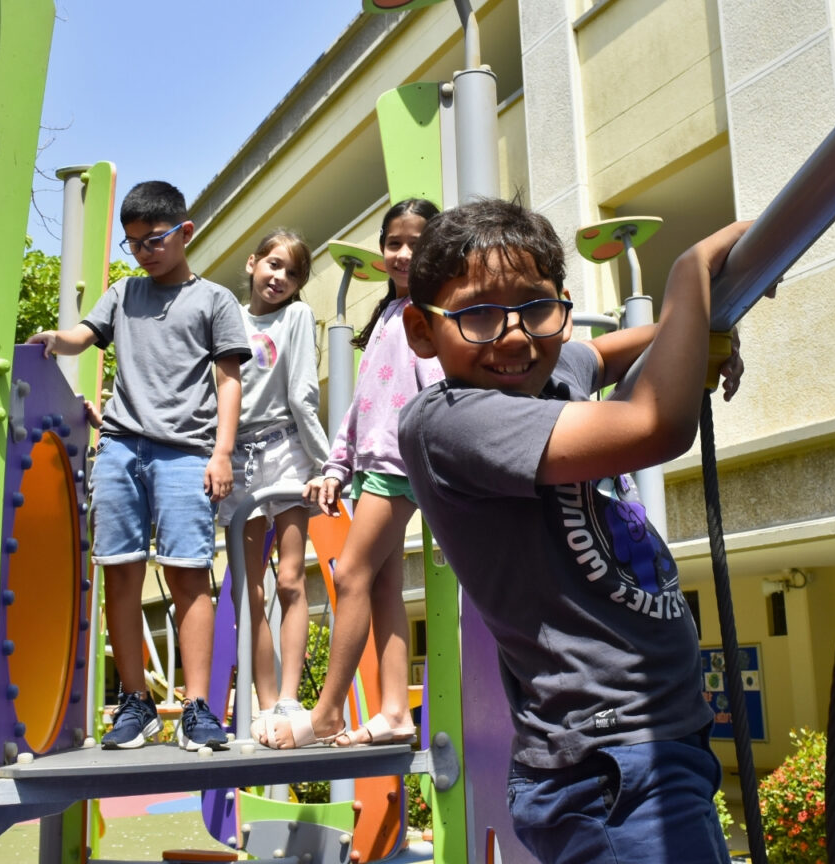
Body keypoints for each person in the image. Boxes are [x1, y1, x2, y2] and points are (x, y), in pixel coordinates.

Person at [396, 198, 754, 864]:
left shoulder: (548, 374)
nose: (513, 338)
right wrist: (691, 271)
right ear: (421, 331)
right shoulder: (451, 423)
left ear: (561, 303)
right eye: (476, 316)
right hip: (607, 765)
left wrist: (700, 330)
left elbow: (596, 353)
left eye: (535, 309)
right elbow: (656, 425)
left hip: (653, 740)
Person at [29, 180, 248, 751]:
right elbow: (84, 334)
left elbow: (230, 380)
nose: (146, 252)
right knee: (120, 571)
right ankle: (136, 703)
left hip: (187, 451)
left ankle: (198, 709)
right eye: (134, 244)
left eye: (155, 239)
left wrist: (222, 451)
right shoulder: (124, 294)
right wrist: (57, 339)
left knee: (188, 576)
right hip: (122, 446)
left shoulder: (214, 300)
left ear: (184, 232)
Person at [257, 197, 442, 749]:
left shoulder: (436, 315)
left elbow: (440, 397)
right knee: (383, 583)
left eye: (418, 243)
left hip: (403, 465)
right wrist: (337, 465)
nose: (405, 254)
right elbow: (364, 406)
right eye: (394, 243)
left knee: (350, 574)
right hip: (374, 466)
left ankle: (328, 710)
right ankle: (393, 711)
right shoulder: (387, 315)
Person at [213, 230, 332, 737]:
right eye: (273, 264)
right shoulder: (228, 319)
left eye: (292, 272)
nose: (280, 277)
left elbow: (303, 393)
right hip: (237, 455)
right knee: (247, 588)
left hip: (285, 448)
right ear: (252, 261)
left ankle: (288, 699)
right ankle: (263, 701)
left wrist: (327, 465)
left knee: (288, 579)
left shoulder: (297, 317)